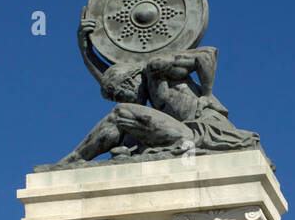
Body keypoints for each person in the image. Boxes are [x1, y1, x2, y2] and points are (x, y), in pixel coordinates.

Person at [43, 14, 261, 168]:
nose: (127, 100)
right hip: (181, 133)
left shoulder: (156, 67)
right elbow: (111, 81)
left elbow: (207, 54)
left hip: (200, 133)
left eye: (122, 94)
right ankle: (76, 160)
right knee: (126, 126)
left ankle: (74, 159)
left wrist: (207, 93)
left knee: (122, 114)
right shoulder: (144, 87)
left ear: (130, 82)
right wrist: (86, 53)